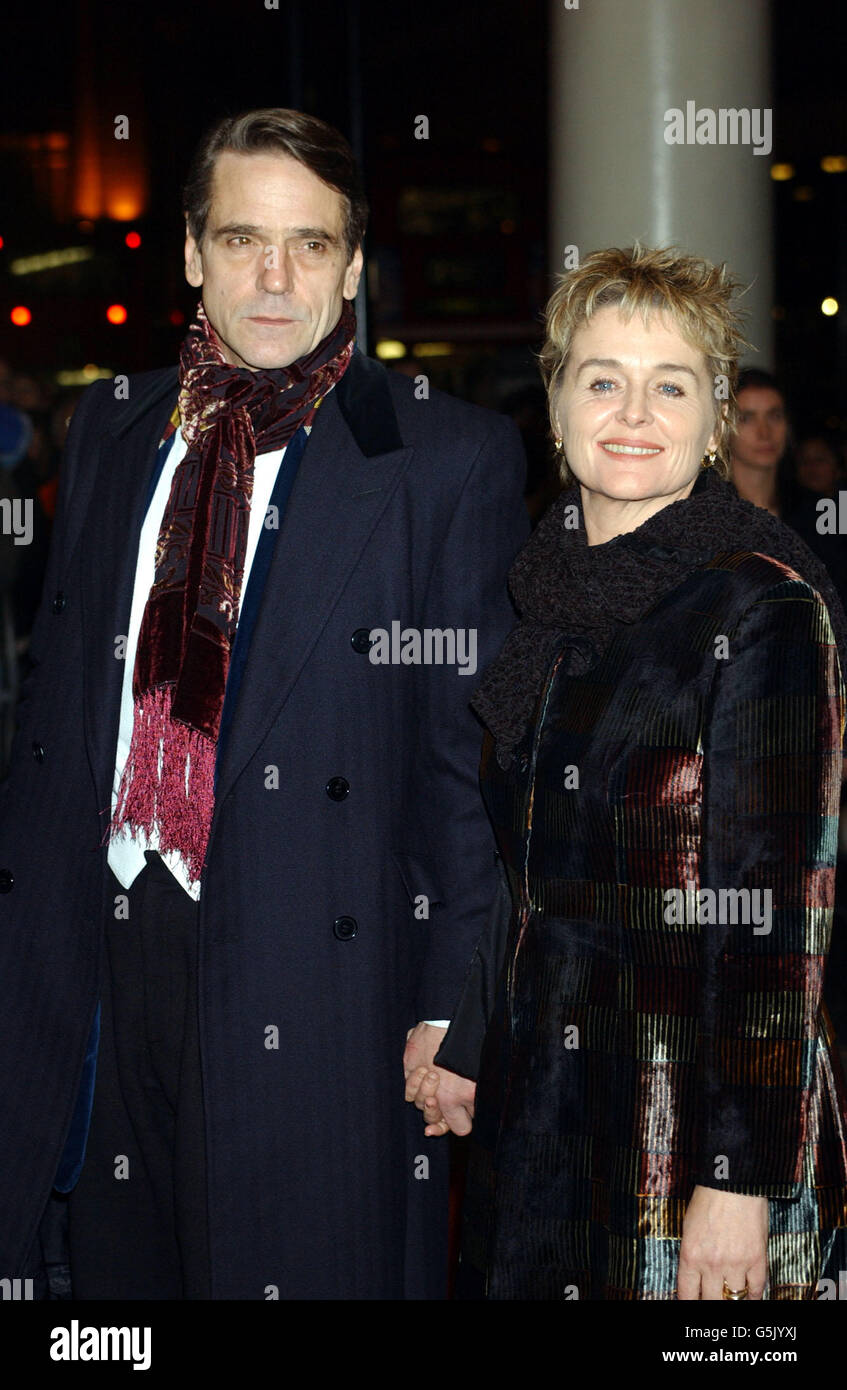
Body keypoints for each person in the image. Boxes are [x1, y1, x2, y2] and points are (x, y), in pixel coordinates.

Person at [0, 108, 528, 1300]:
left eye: (308, 245)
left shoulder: (446, 458)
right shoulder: (114, 426)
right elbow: (59, 693)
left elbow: (468, 762)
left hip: (314, 969)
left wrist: (459, 1004)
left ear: (351, 263)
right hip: (94, 960)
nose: (274, 278)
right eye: (242, 240)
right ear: (192, 252)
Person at [410, 244, 847, 1300]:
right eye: (601, 378)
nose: (632, 410)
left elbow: (776, 923)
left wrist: (737, 1184)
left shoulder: (761, 606)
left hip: (688, 1139)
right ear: (554, 409)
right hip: (542, 1118)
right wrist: (466, 1036)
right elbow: (531, 878)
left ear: (712, 425)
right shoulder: (550, 600)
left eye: (671, 386)